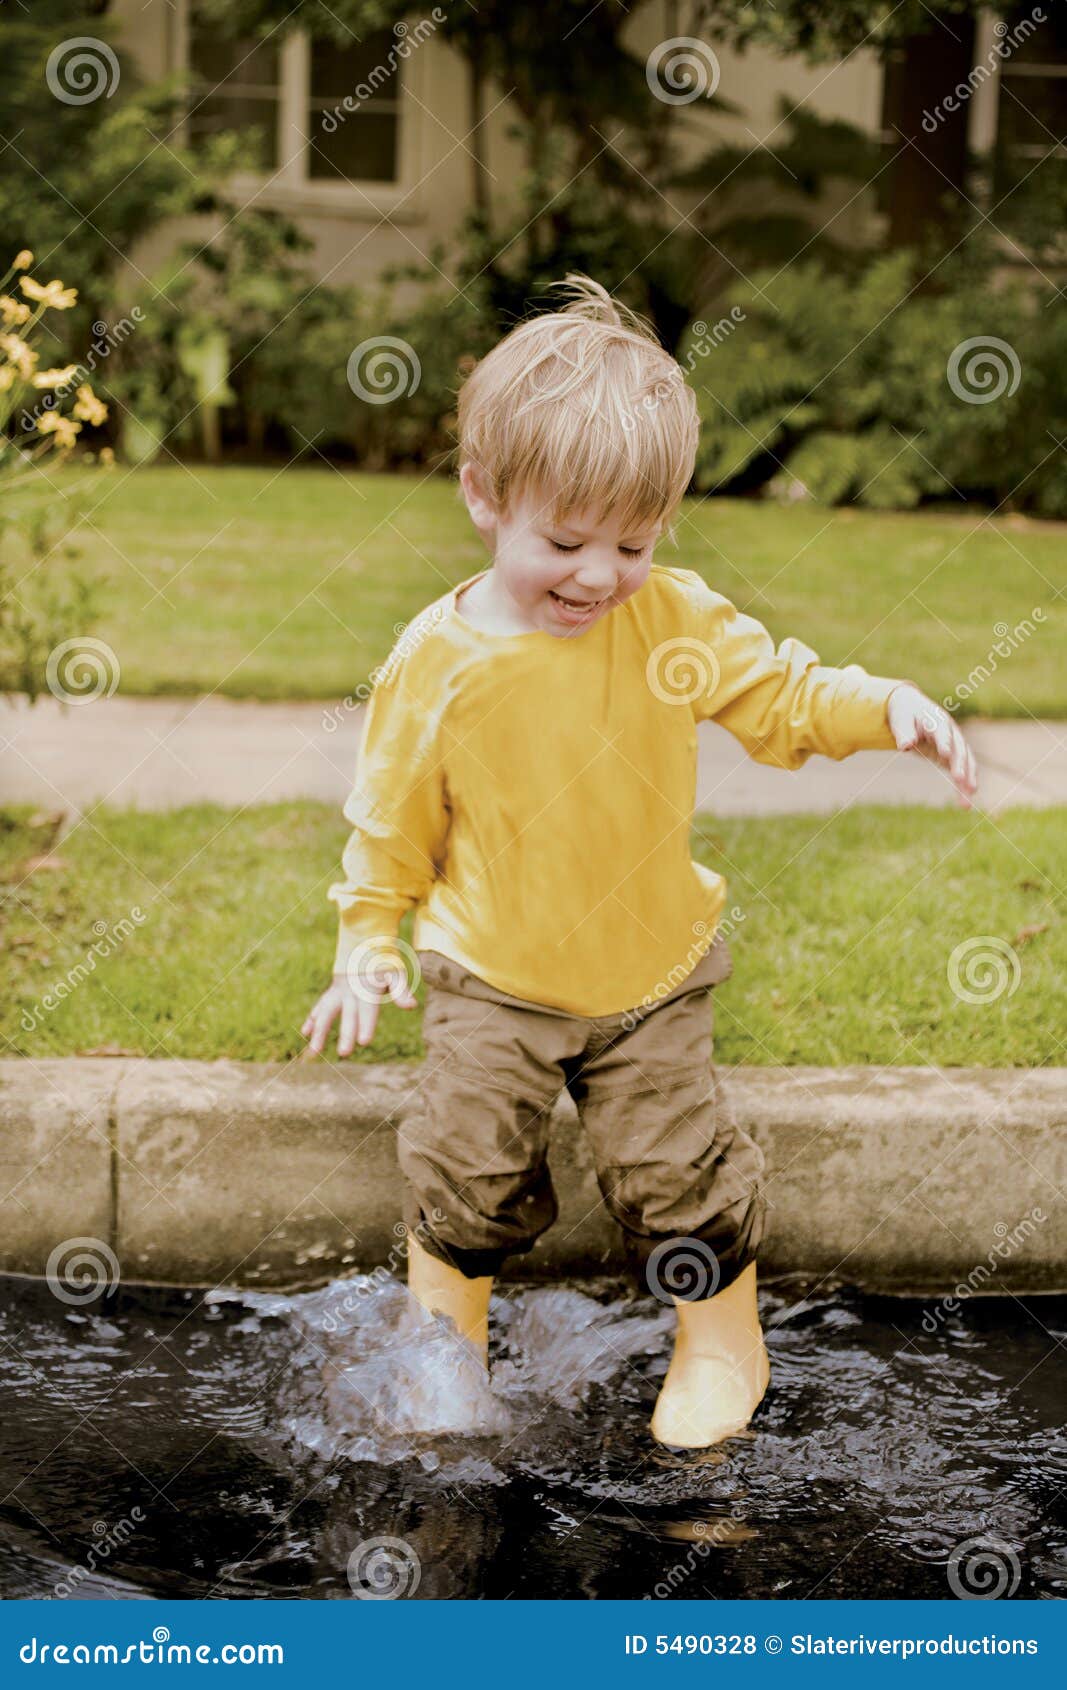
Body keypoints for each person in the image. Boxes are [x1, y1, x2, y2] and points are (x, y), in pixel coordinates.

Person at [302, 275, 978, 1448]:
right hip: (488, 970)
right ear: (481, 497)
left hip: (648, 971)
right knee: (465, 1161)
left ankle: (721, 1339)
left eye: (633, 539)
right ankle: (444, 1344)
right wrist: (366, 943)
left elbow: (782, 696)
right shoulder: (437, 659)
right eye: (562, 539)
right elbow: (390, 817)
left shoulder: (668, 621)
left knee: (674, 1169)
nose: (598, 573)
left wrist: (886, 708)